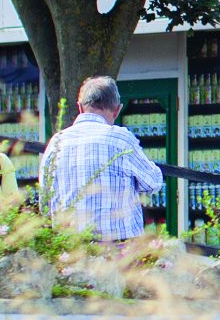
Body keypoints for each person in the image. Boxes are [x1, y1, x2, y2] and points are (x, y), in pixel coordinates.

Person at [37, 76, 162, 245]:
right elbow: (153, 182)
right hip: (119, 251)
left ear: (80, 107)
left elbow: (45, 203)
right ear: (117, 110)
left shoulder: (56, 143)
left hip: (71, 250)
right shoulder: (121, 139)